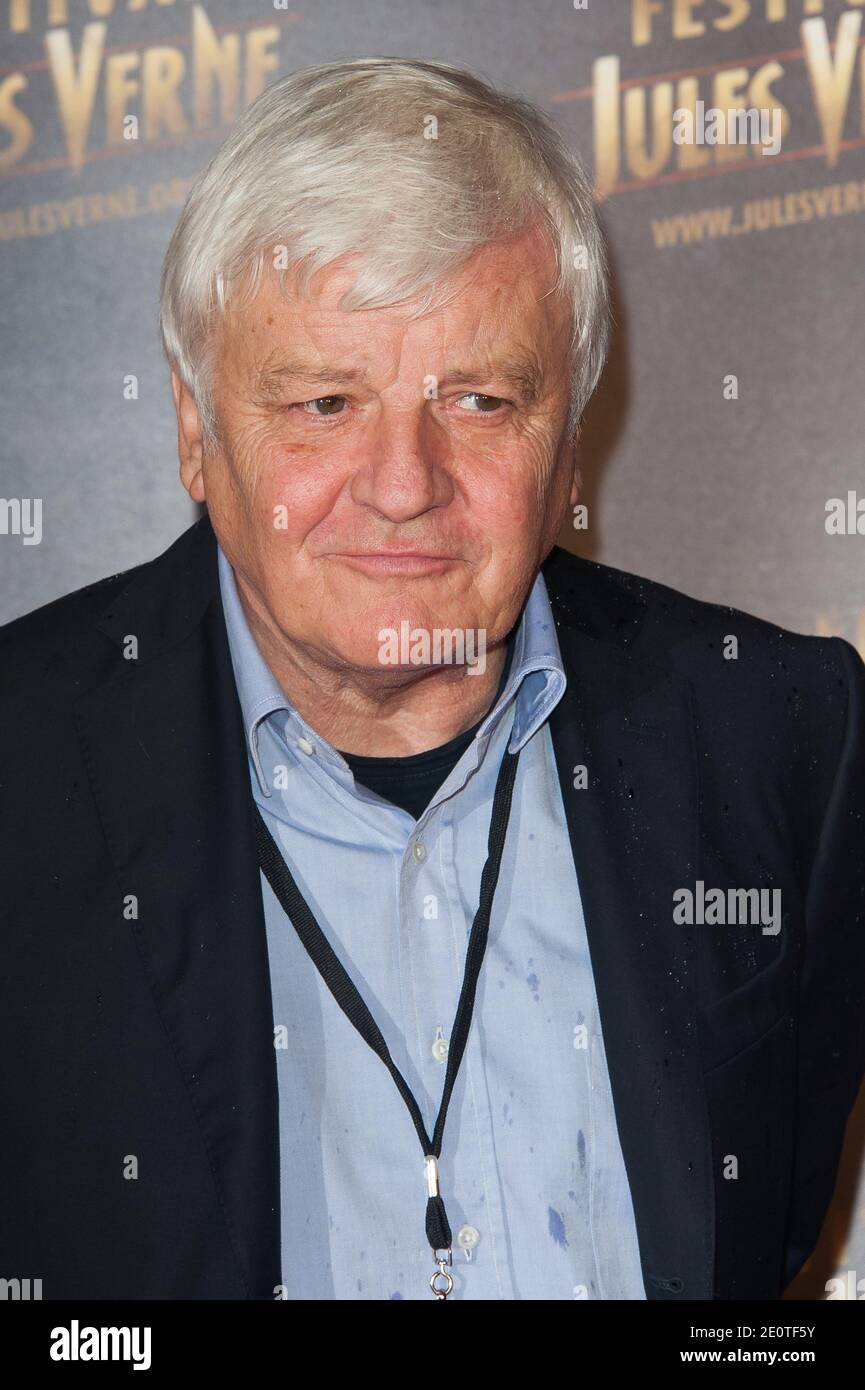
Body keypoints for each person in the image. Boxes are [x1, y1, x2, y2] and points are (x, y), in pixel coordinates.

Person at [1, 57, 863, 1302]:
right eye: (321, 400)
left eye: (479, 398)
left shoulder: (783, 738)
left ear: (570, 434)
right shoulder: (21, 775)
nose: (402, 481)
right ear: (194, 431)